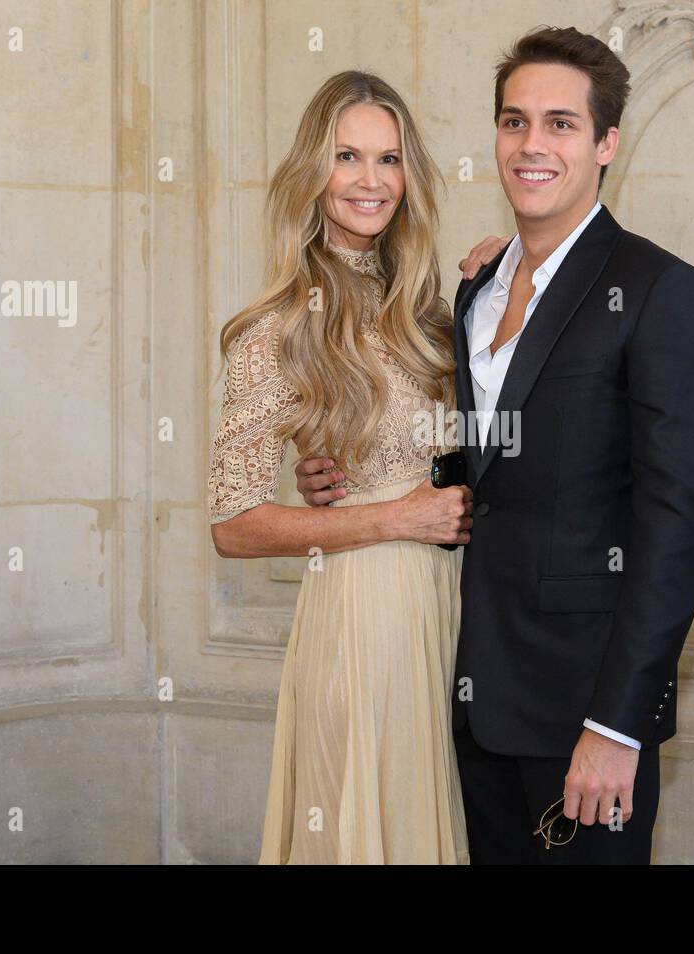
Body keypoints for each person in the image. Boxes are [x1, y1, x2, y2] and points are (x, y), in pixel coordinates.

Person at [296, 26, 694, 863]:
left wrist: (616, 724)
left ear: (606, 143)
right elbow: (481, 465)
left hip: (583, 718)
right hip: (467, 697)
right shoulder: (475, 291)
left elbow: (679, 528)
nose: (533, 145)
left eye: (561, 124)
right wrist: (349, 474)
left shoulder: (660, 291)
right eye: (514, 121)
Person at [207, 70, 473, 864]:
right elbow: (234, 526)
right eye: (346, 156)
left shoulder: (423, 308)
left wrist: (502, 281)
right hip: (363, 613)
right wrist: (396, 516)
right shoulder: (274, 326)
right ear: (312, 173)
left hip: (441, 602)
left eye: (388, 160)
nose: (369, 180)